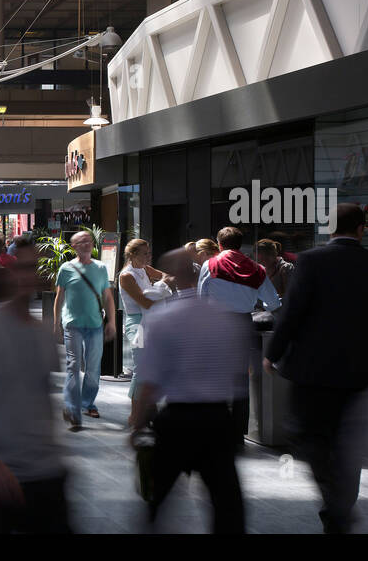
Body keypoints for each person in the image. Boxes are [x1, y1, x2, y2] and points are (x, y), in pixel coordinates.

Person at [264, 203, 368, 534]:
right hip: (358, 372)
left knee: (307, 435)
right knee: (347, 444)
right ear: (361, 229)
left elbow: (293, 312)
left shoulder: (310, 260)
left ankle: (337, 506)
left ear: (329, 228)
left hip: (312, 369)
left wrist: (273, 353)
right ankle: (341, 508)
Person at [0, 235, 70, 533]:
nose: (28, 276)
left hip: (47, 473)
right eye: (22, 267)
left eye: (34, 268)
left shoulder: (43, 333)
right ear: (8, 269)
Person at [131, 247, 251, 533]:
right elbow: (238, 372)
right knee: (227, 505)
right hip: (217, 420)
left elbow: (151, 381)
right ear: (197, 273)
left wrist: (137, 423)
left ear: (171, 278)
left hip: (177, 422)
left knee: (157, 498)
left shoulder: (163, 319)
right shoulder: (225, 318)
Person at [199, 227, 283, 446]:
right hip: (243, 325)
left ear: (219, 244)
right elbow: (273, 303)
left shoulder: (211, 265)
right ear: (240, 244)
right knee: (239, 379)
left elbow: (201, 298)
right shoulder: (257, 269)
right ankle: (237, 435)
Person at [53, 229, 116, 429]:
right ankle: (72, 408)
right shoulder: (66, 268)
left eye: (88, 240)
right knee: (73, 365)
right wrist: (56, 323)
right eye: (81, 241)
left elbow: (107, 297)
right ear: (74, 246)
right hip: (72, 324)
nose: (86, 243)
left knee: (93, 368)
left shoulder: (100, 268)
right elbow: (58, 297)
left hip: (95, 324)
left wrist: (112, 322)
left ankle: (88, 402)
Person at [117, 238, 169, 412]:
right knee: (141, 368)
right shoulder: (126, 276)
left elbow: (166, 277)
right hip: (137, 324)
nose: (149, 256)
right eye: (145, 254)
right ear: (133, 255)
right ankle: (135, 412)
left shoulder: (145, 269)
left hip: (151, 321)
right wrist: (162, 290)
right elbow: (145, 302)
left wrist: (161, 286)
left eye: (149, 253)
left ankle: (148, 409)